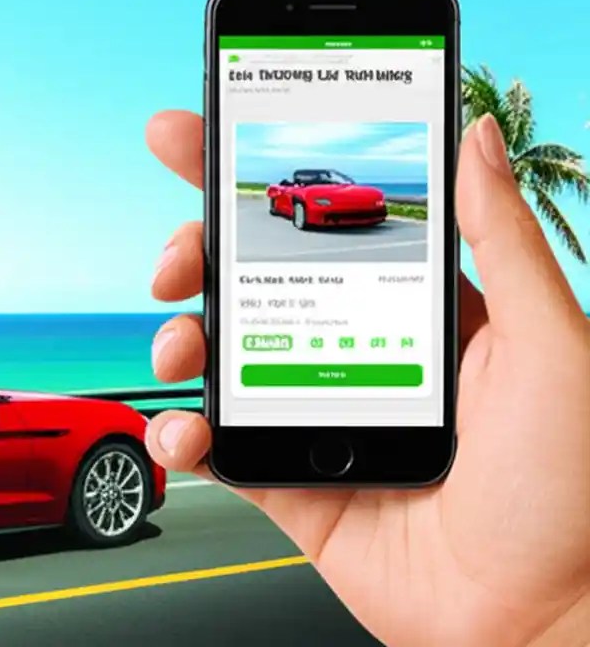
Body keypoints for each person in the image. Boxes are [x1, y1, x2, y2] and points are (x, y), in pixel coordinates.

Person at [142, 110, 590, 647]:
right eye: (318, 187)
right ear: (289, 194)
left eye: (331, 185)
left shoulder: (354, 191)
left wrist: (561, 606)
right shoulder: (291, 191)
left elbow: (369, 201)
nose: (328, 188)